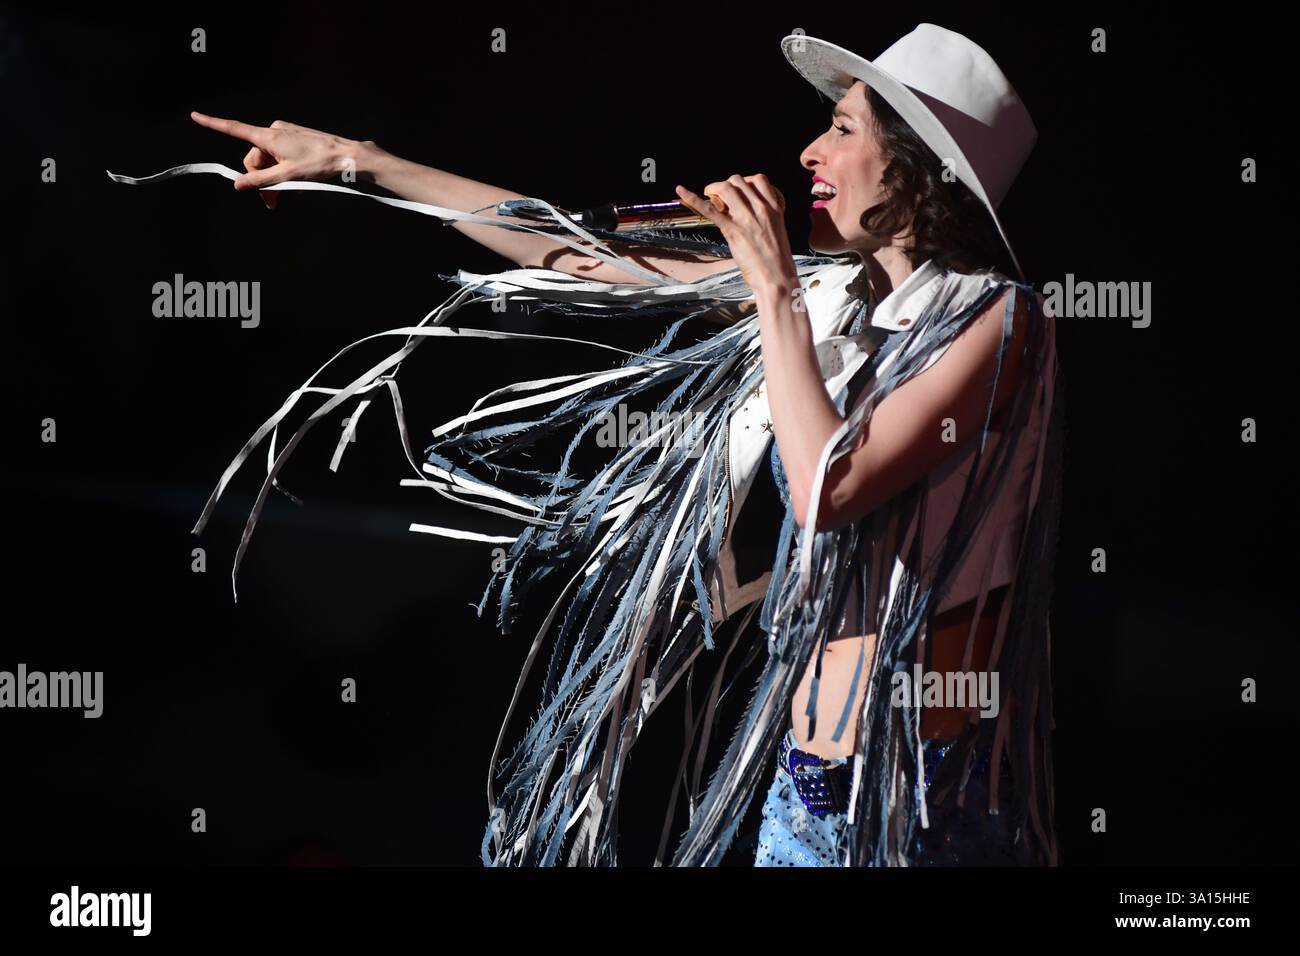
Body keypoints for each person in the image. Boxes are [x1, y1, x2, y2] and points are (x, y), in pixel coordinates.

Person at [118, 22, 1063, 866]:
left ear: (923, 167)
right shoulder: (828, 302)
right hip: (808, 784)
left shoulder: (1002, 320)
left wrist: (772, 288)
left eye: (847, 128)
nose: (812, 147)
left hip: (924, 800)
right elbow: (577, 249)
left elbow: (829, 485)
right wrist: (364, 163)